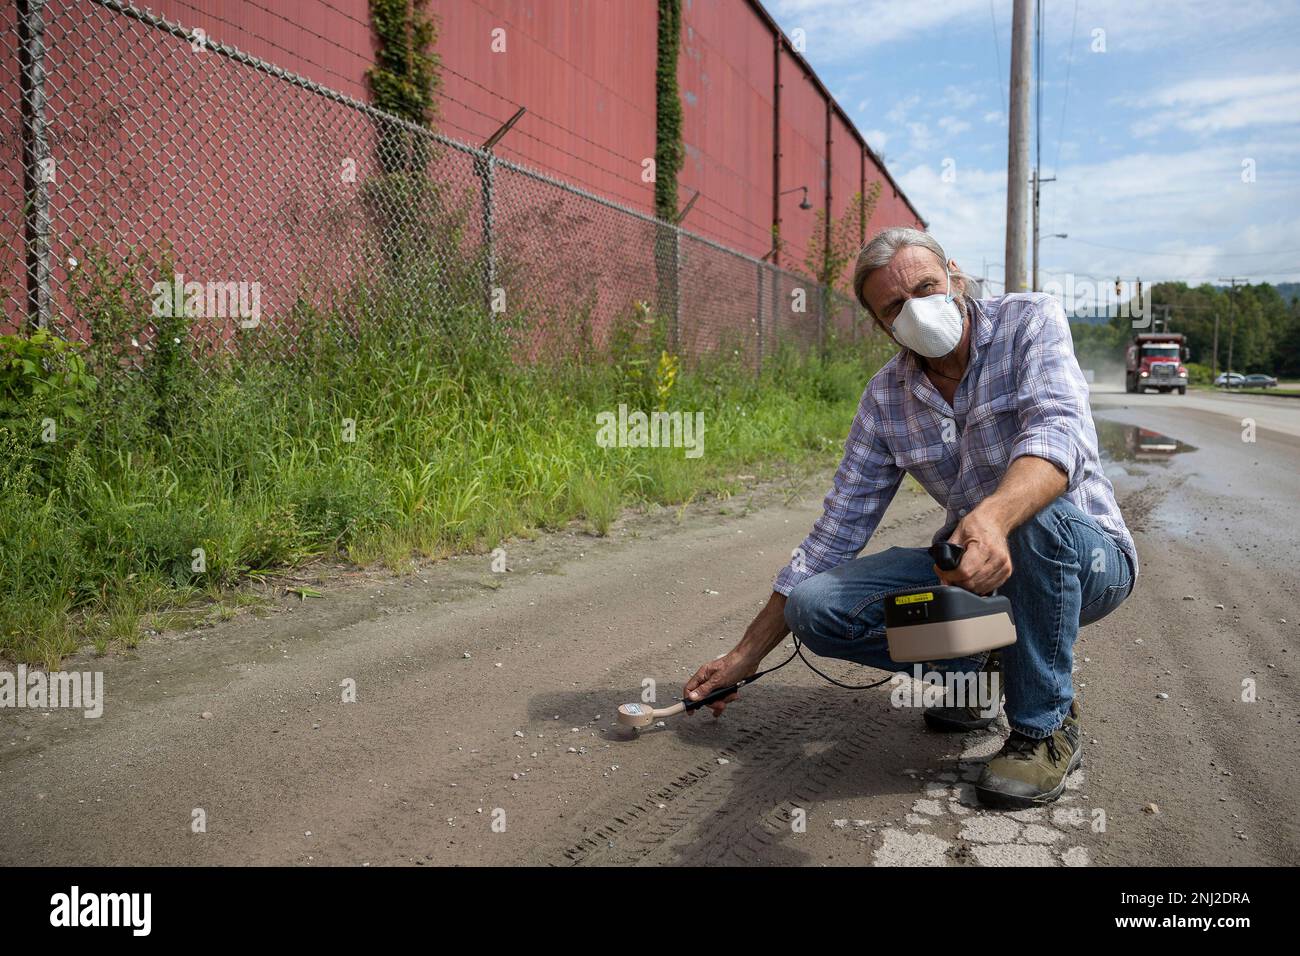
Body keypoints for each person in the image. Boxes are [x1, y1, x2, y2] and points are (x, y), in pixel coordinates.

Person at [683, 227, 1137, 809]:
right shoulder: (885, 399)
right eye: (896, 306)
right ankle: (983, 673)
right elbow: (837, 530)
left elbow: (1058, 432)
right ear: (882, 326)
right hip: (977, 574)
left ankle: (1042, 728)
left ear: (956, 276)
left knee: (1032, 517)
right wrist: (743, 656)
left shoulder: (1030, 321)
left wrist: (995, 517)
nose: (917, 309)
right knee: (816, 606)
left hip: (1084, 556)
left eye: (926, 287)